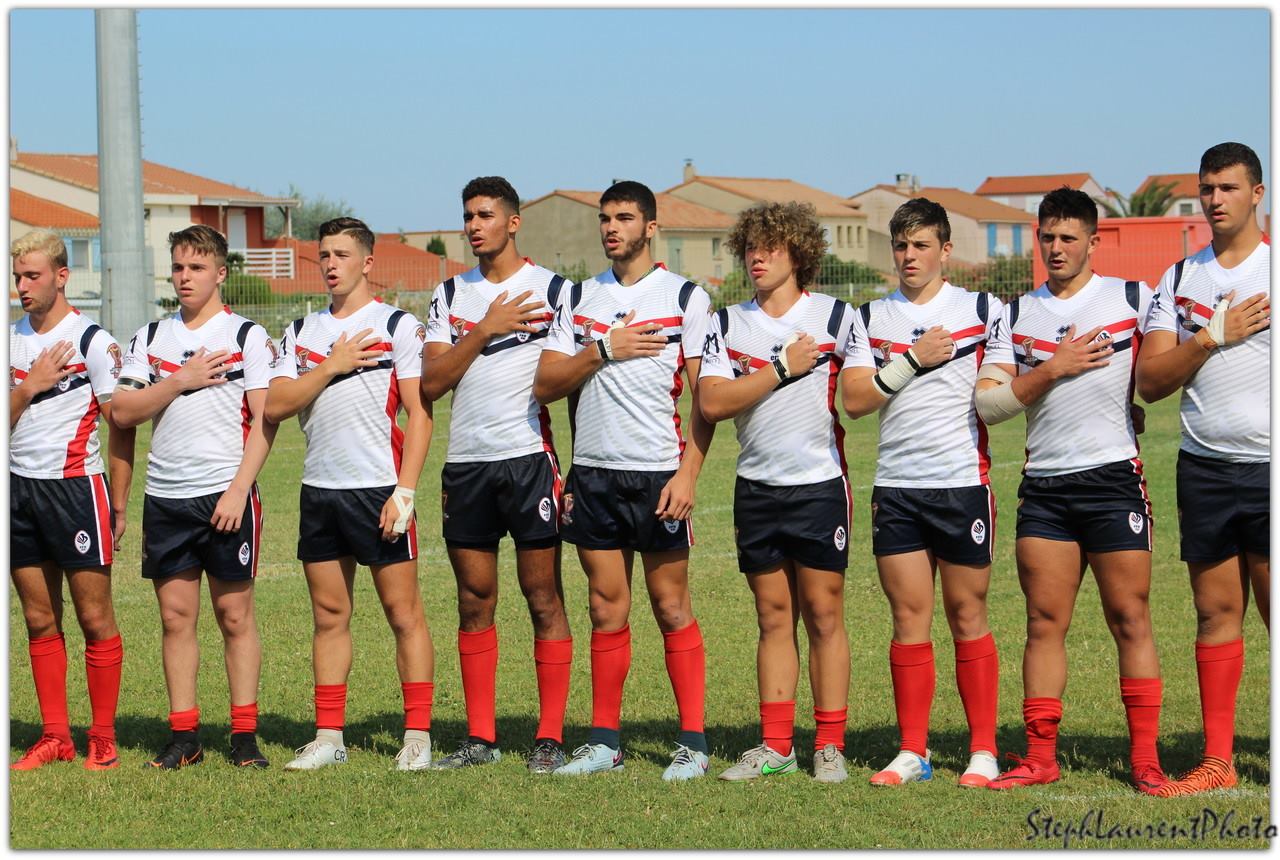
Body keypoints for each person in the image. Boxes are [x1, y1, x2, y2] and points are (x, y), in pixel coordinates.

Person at [974, 188, 1166, 794]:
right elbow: (989, 404)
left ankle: (1145, 760)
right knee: (1044, 621)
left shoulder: (1132, 299)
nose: (1055, 249)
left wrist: (1132, 409)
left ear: (1091, 240)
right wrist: (1052, 369)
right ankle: (1040, 757)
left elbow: (1162, 371)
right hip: (1047, 487)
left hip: (1114, 480)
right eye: (1046, 237)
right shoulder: (1013, 314)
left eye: (1067, 237)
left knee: (1130, 617)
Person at [533, 180, 715, 781]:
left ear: (651, 227)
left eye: (625, 218)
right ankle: (605, 741)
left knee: (670, 605)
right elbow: (547, 383)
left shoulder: (687, 298)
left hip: (661, 474)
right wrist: (603, 350)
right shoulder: (579, 298)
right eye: (606, 218)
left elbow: (704, 399)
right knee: (606, 608)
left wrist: (688, 473)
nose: (612, 228)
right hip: (595, 477)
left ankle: (693, 741)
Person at [264, 217, 436, 772]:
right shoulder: (301, 332)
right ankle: (329, 736)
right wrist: (332, 365)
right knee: (330, 615)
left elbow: (421, 413)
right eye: (324, 255)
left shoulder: (397, 326)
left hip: (380, 491)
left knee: (403, 614)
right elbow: (275, 404)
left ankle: (417, 736)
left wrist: (404, 492)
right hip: (320, 492)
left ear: (367, 261)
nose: (331, 264)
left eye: (342, 254)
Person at [841, 199, 1001, 787]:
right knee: (908, 617)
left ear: (945, 250)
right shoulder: (870, 317)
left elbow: (1000, 392)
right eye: (902, 246)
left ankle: (983, 750)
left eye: (922, 246)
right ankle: (914, 751)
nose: (910, 257)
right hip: (898, 487)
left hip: (960, 483)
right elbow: (854, 402)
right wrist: (911, 360)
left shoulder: (982, 310)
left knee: (967, 613)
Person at [112, 225, 285, 769]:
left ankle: (243, 737)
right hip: (166, 496)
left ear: (220, 273)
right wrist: (181, 380)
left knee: (235, 616)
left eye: (196, 267)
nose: (185, 277)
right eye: (179, 267)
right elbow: (122, 412)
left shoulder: (247, 337)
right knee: (175, 617)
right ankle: (184, 736)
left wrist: (238, 491)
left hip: (224, 496)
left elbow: (266, 421)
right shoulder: (148, 339)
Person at [421, 177, 573, 773]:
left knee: (543, 596)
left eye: (486, 215)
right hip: (467, 465)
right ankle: (480, 738)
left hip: (530, 459)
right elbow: (431, 383)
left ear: (514, 222)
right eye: (468, 216)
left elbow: (573, 384)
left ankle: (550, 736)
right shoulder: (450, 295)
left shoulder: (556, 291)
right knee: (473, 599)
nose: (474, 225)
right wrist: (485, 327)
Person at [698, 201, 854, 783]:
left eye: (771, 246)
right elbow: (712, 402)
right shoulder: (726, 323)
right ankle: (775, 745)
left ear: (800, 252)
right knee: (772, 617)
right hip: (756, 489)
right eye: (750, 247)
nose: (757, 256)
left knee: (823, 613)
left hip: (818, 488)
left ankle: (829, 745)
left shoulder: (837, 317)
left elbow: (860, 398)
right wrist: (782, 368)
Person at [1135, 142, 1270, 797]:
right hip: (1206, 470)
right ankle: (1219, 760)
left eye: (1228, 188)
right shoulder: (1179, 279)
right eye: (1207, 189)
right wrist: (1213, 334)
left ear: (1257, 194)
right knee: (1215, 614)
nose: (1215, 200)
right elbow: (1151, 379)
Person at [9, 230, 132, 771]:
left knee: (93, 616)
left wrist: (121, 503)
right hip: (18, 489)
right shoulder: (12, 340)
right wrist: (28, 386)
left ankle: (101, 737)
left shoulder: (93, 342)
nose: (22, 286)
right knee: (39, 618)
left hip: (78, 489)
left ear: (61, 275)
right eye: (17, 276)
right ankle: (54, 735)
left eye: (32, 275)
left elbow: (121, 424)